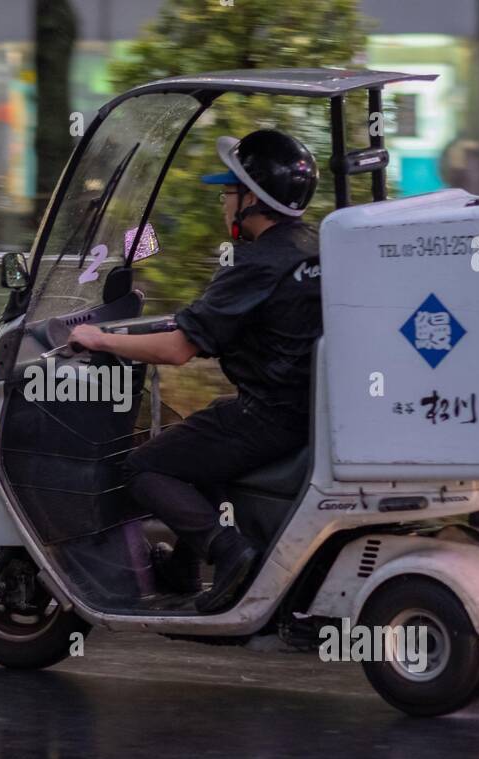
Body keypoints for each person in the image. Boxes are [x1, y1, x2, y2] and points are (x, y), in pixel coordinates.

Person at [67, 129, 322, 613]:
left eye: (229, 191)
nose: (224, 202)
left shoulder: (256, 263)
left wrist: (98, 339)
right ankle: (184, 567)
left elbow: (180, 349)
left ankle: (230, 554)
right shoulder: (312, 246)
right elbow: (226, 321)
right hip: (303, 407)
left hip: (268, 416)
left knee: (142, 466)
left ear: (252, 198)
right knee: (195, 434)